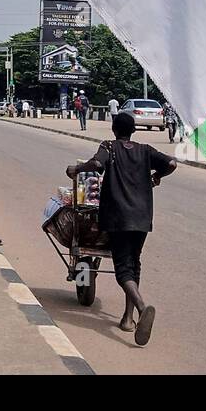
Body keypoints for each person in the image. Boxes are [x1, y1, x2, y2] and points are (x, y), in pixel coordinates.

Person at [68, 111, 175, 345]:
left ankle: (141, 307)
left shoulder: (109, 146)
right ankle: (127, 319)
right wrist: (157, 175)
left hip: (118, 216)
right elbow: (171, 163)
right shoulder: (145, 150)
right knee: (134, 262)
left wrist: (75, 170)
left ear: (114, 130)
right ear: (133, 130)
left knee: (123, 268)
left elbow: (96, 164)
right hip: (142, 217)